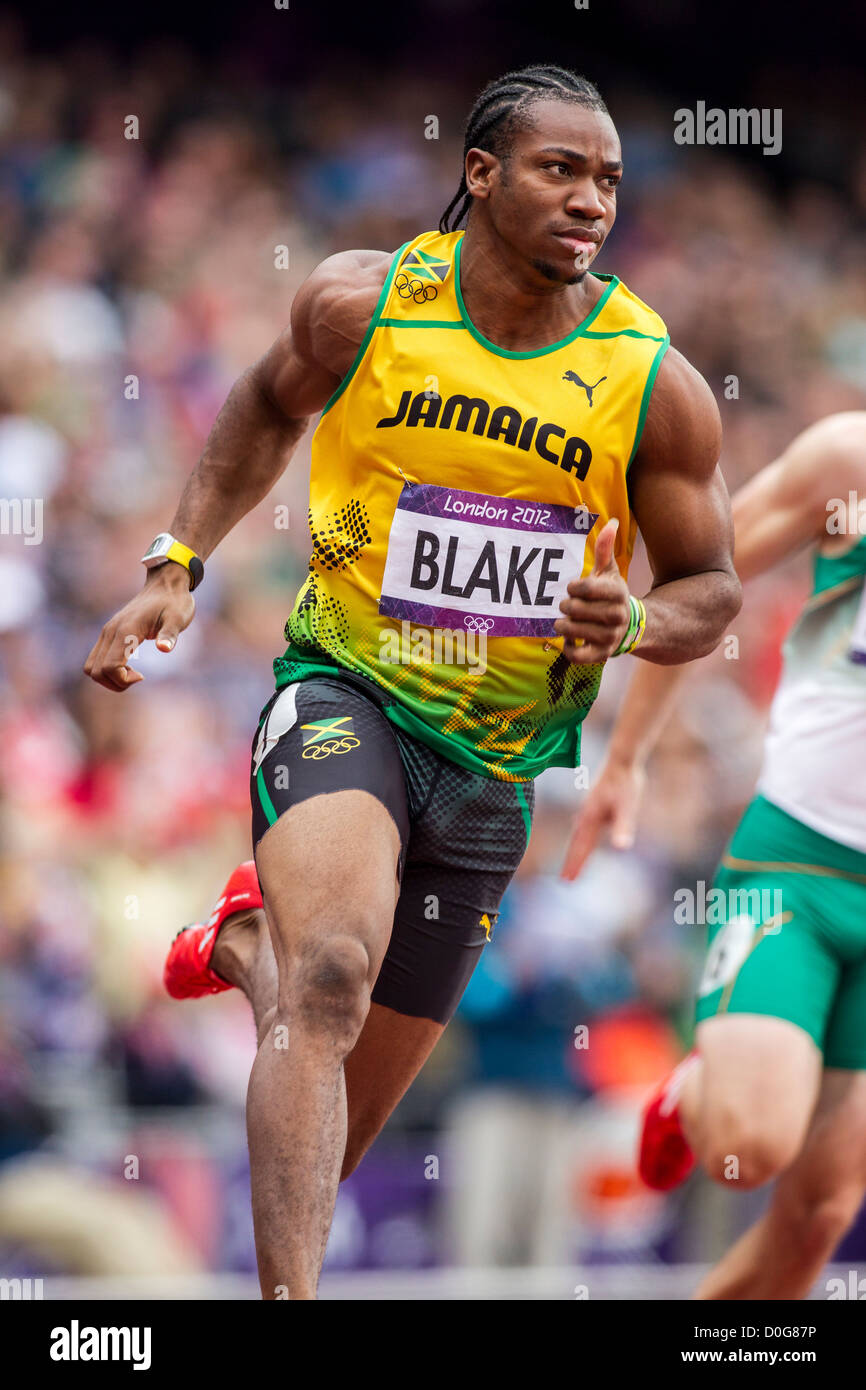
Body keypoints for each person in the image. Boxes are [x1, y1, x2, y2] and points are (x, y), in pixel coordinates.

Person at [84, 64, 739, 1299]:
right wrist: (178, 561)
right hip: (344, 691)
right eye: (557, 168)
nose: (589, 198)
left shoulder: (652, 381)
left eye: (605, 178)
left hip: (492, 768)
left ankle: (242, 948)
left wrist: (640, 617)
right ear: (480, 173)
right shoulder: (365, 303)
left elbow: (712, 591)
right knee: (328, 977)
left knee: (323, 1139)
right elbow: (262, 410)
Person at [564, 410, 866, 1300]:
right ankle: (695, 1091)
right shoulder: (848, 464)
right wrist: (627, 758)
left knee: (815, 1221)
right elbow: (701, 589)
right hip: (798, 871)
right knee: (746, 1151)